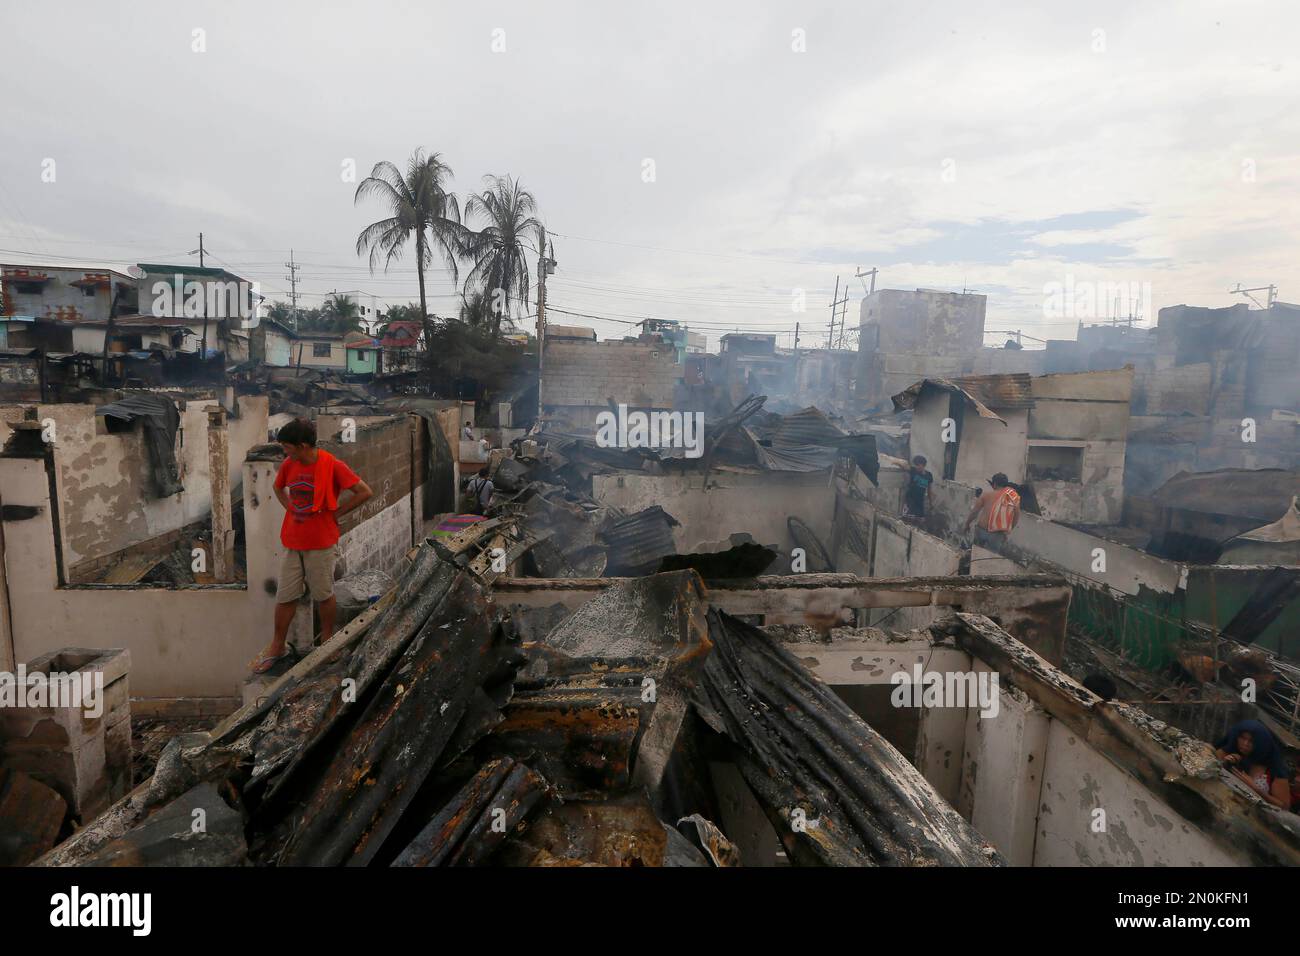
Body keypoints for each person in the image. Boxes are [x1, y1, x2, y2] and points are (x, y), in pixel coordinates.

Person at [250, 418, 373, 674]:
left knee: (323, 594)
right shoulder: (289, 465)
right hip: (293, 541)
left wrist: (336, 514)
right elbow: (278, 487)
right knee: (286, 595)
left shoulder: (332, 466)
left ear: (303, 445)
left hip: (321, 542)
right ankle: (277, 645)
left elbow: (364, 491)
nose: (285, 452)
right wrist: (290, 508)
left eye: (288, 447)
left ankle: (327, 641)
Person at [1216, 719, 1292, 809]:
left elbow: (1284, 806)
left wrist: (1255, 789)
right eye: (1242, 738)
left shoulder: (1274, 769)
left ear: (1261, 744)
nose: (1245, 744)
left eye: (1251, 741)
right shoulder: (1228, 752)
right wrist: (1223, 763)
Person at [962, 472, 1022, 547]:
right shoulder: (1012, 497)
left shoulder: (986, 495)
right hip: (997, 535)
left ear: (994, 484)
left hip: (981, 530)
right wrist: (1007, 532)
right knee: (988, 558)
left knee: (976, 555)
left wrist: (967, 524)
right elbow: (1016, 517)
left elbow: (974, 512)